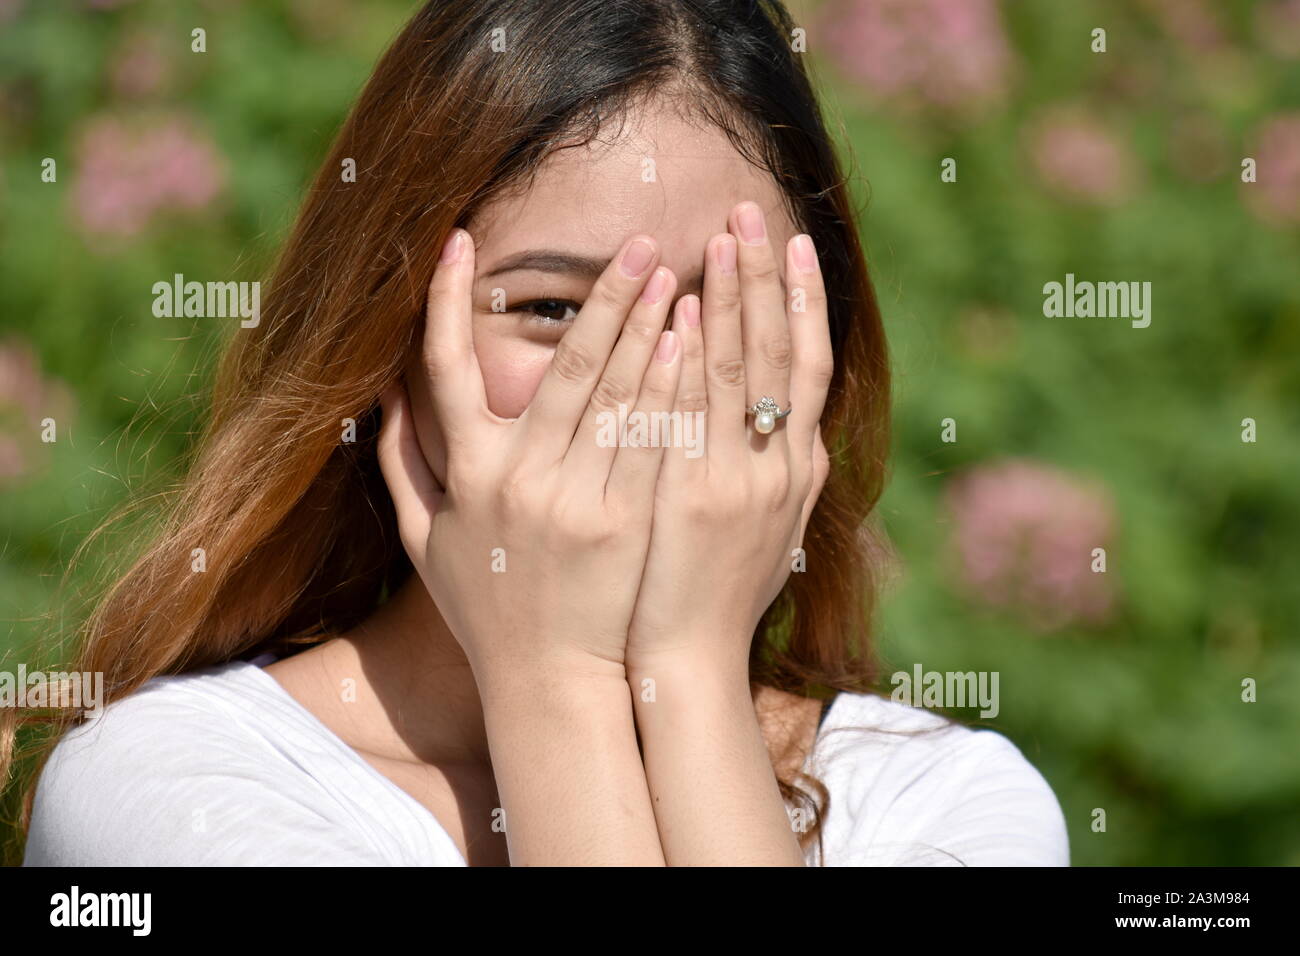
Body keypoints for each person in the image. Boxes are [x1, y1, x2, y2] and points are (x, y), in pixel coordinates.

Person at [15, 0, 1068, 866]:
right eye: (553, 310)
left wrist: (685, 667)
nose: (647, 377)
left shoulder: (943, 801)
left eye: (727, 311)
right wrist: (556, 673)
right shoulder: (174, 788)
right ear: (391, 347)